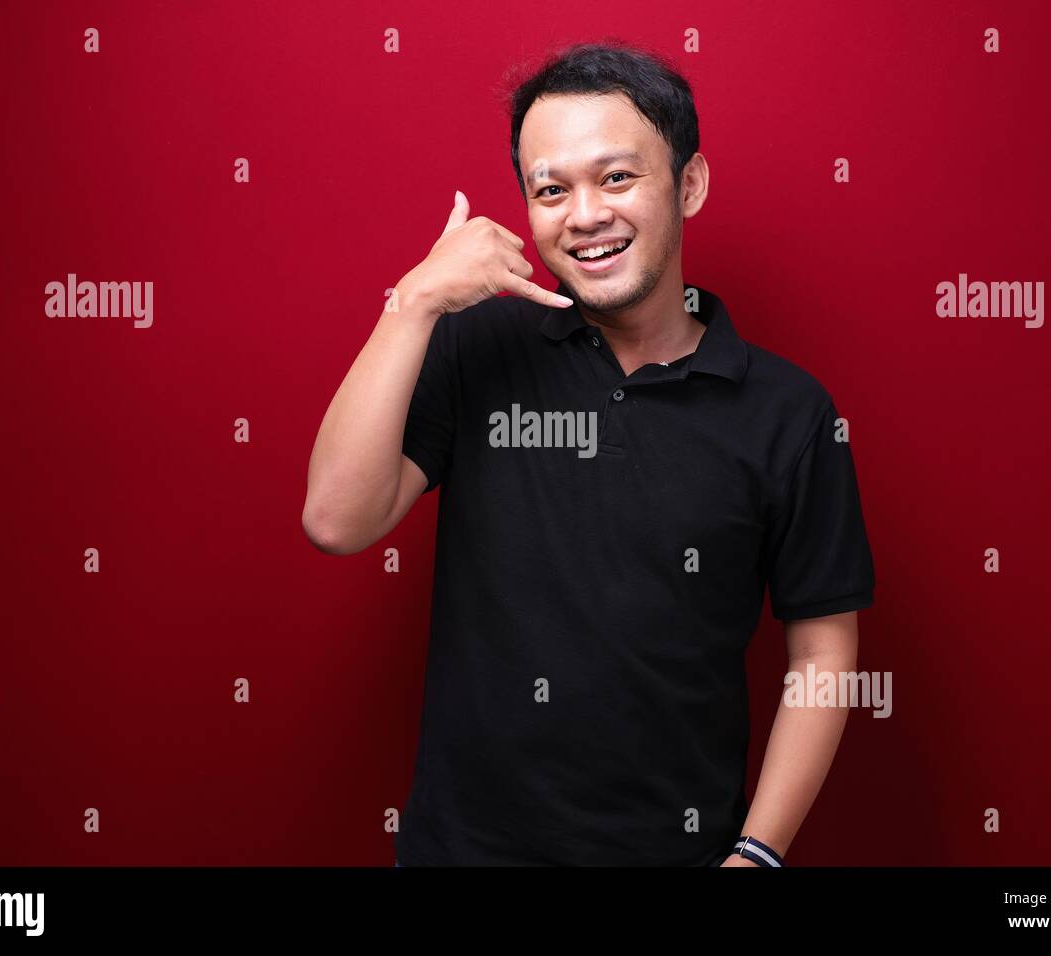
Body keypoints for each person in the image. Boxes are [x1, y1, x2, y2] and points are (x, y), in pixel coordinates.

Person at [303, 40, 875, 866]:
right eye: (551, 189)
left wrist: (759, 855)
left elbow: (823, 650)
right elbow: (335, 520)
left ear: (688, 184)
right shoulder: (475, 347)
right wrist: (416, 300)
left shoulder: (789, 413)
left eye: (616, 178)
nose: (584, 215)